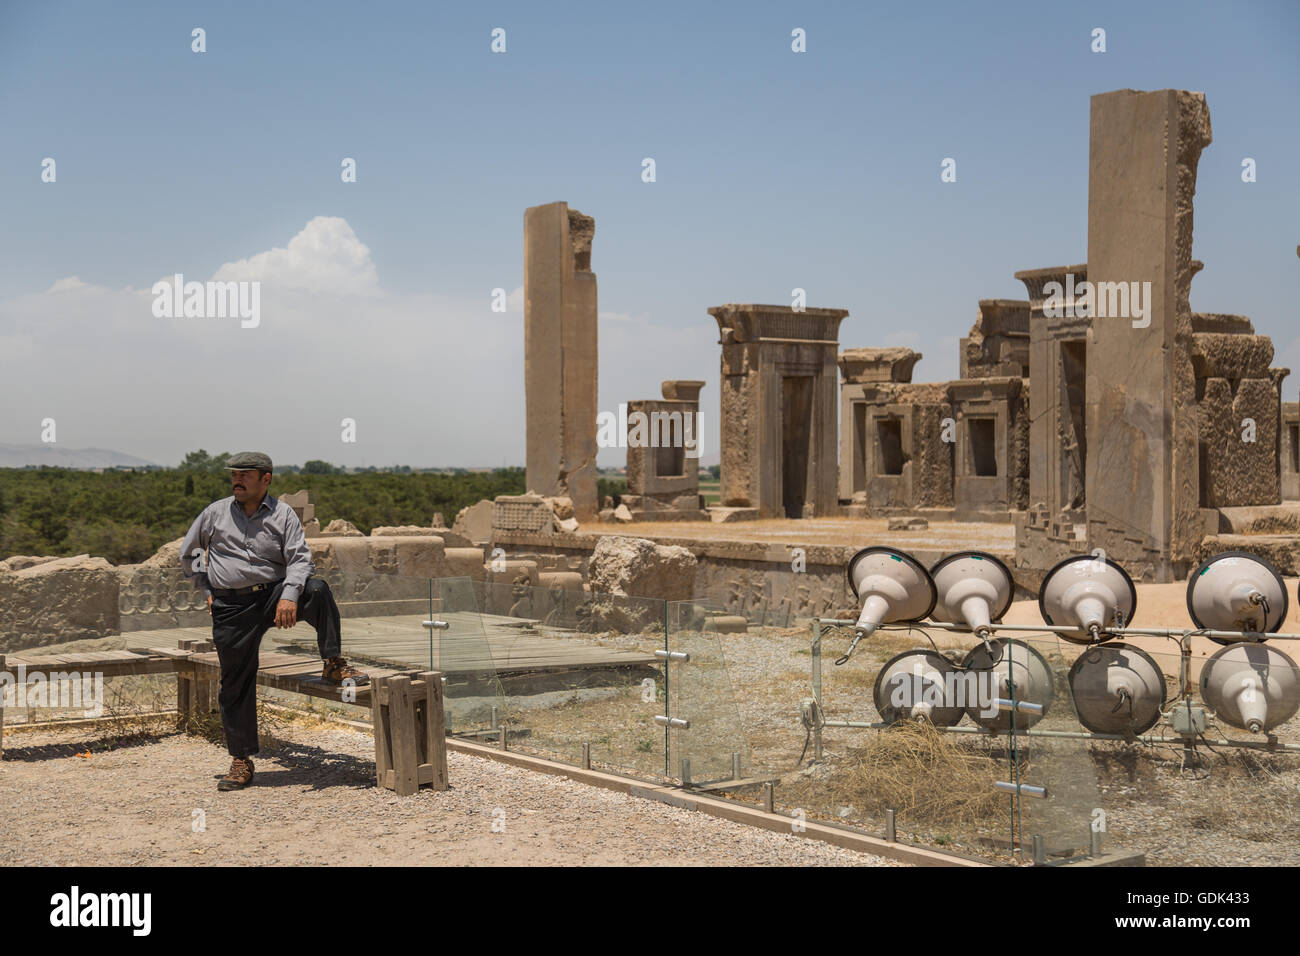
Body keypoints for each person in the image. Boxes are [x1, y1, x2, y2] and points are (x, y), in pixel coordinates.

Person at [180, 452, 368, 791]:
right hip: (231, 605)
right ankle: (241, 760)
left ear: (266, 479)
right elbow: (189, 553)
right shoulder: (215, 513)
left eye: (245, 475)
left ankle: (333, 661)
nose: (237, 480)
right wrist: (205, 588)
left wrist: (289, 595)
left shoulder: (283, 515)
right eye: (234, 475)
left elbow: (299, 559)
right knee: (234, 683)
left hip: (272, 596)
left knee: (317, 590)